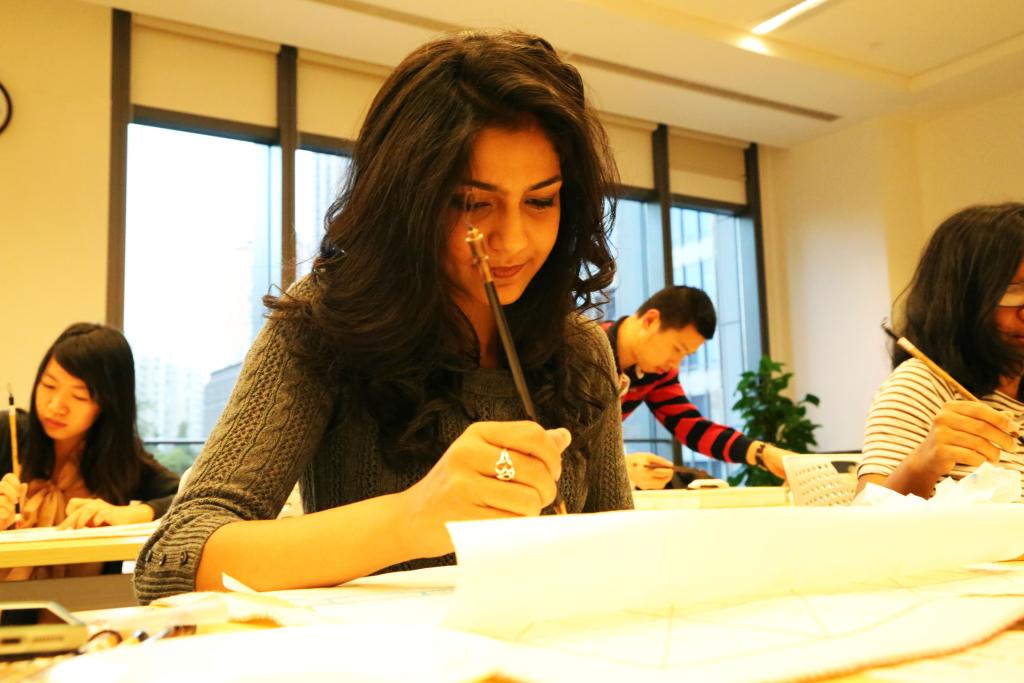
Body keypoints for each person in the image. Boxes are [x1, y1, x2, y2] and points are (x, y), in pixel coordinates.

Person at [134, 30, 632, 603]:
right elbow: (173, 558)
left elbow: (617, 553)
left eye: (541, 201)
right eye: (472, 202)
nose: (513, 240)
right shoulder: (326, 322)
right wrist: (413, 517)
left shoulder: (579, 349)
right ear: (408, 199)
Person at [858, 203, 1024, 498]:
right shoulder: (923, 387)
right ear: (961, 300)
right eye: (1011, 291)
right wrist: (923, 465)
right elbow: (865, 526)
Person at [0, 323, 180, 580]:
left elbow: (188, 496)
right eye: (49, 386)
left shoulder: (120, 462)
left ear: (108, 403)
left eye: (79, 396)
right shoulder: (8, 433)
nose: (56, 406)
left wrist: (130, 513)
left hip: (85, 609)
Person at [602, 286, 792, 489]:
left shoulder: (656, 372)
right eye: (677, 349)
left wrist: (763, 453)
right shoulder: (586, 348)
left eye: (685, 355)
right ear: (650, 321)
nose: (675, 363)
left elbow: (692, 427)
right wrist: (620, 467)